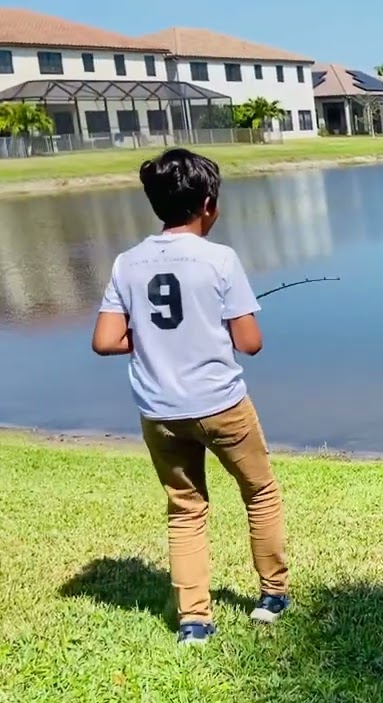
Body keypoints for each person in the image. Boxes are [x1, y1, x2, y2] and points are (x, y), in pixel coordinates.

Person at [90, 148, 290, 646]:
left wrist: (153, 340)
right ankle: (271, 595)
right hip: (222, 405)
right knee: (260, 493)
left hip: (159, 412)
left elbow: (106, 340)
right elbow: (250, 342)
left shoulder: (126, 262)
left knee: (185, 509)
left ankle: (194, 621)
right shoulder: (220, 259)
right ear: (208, 204)